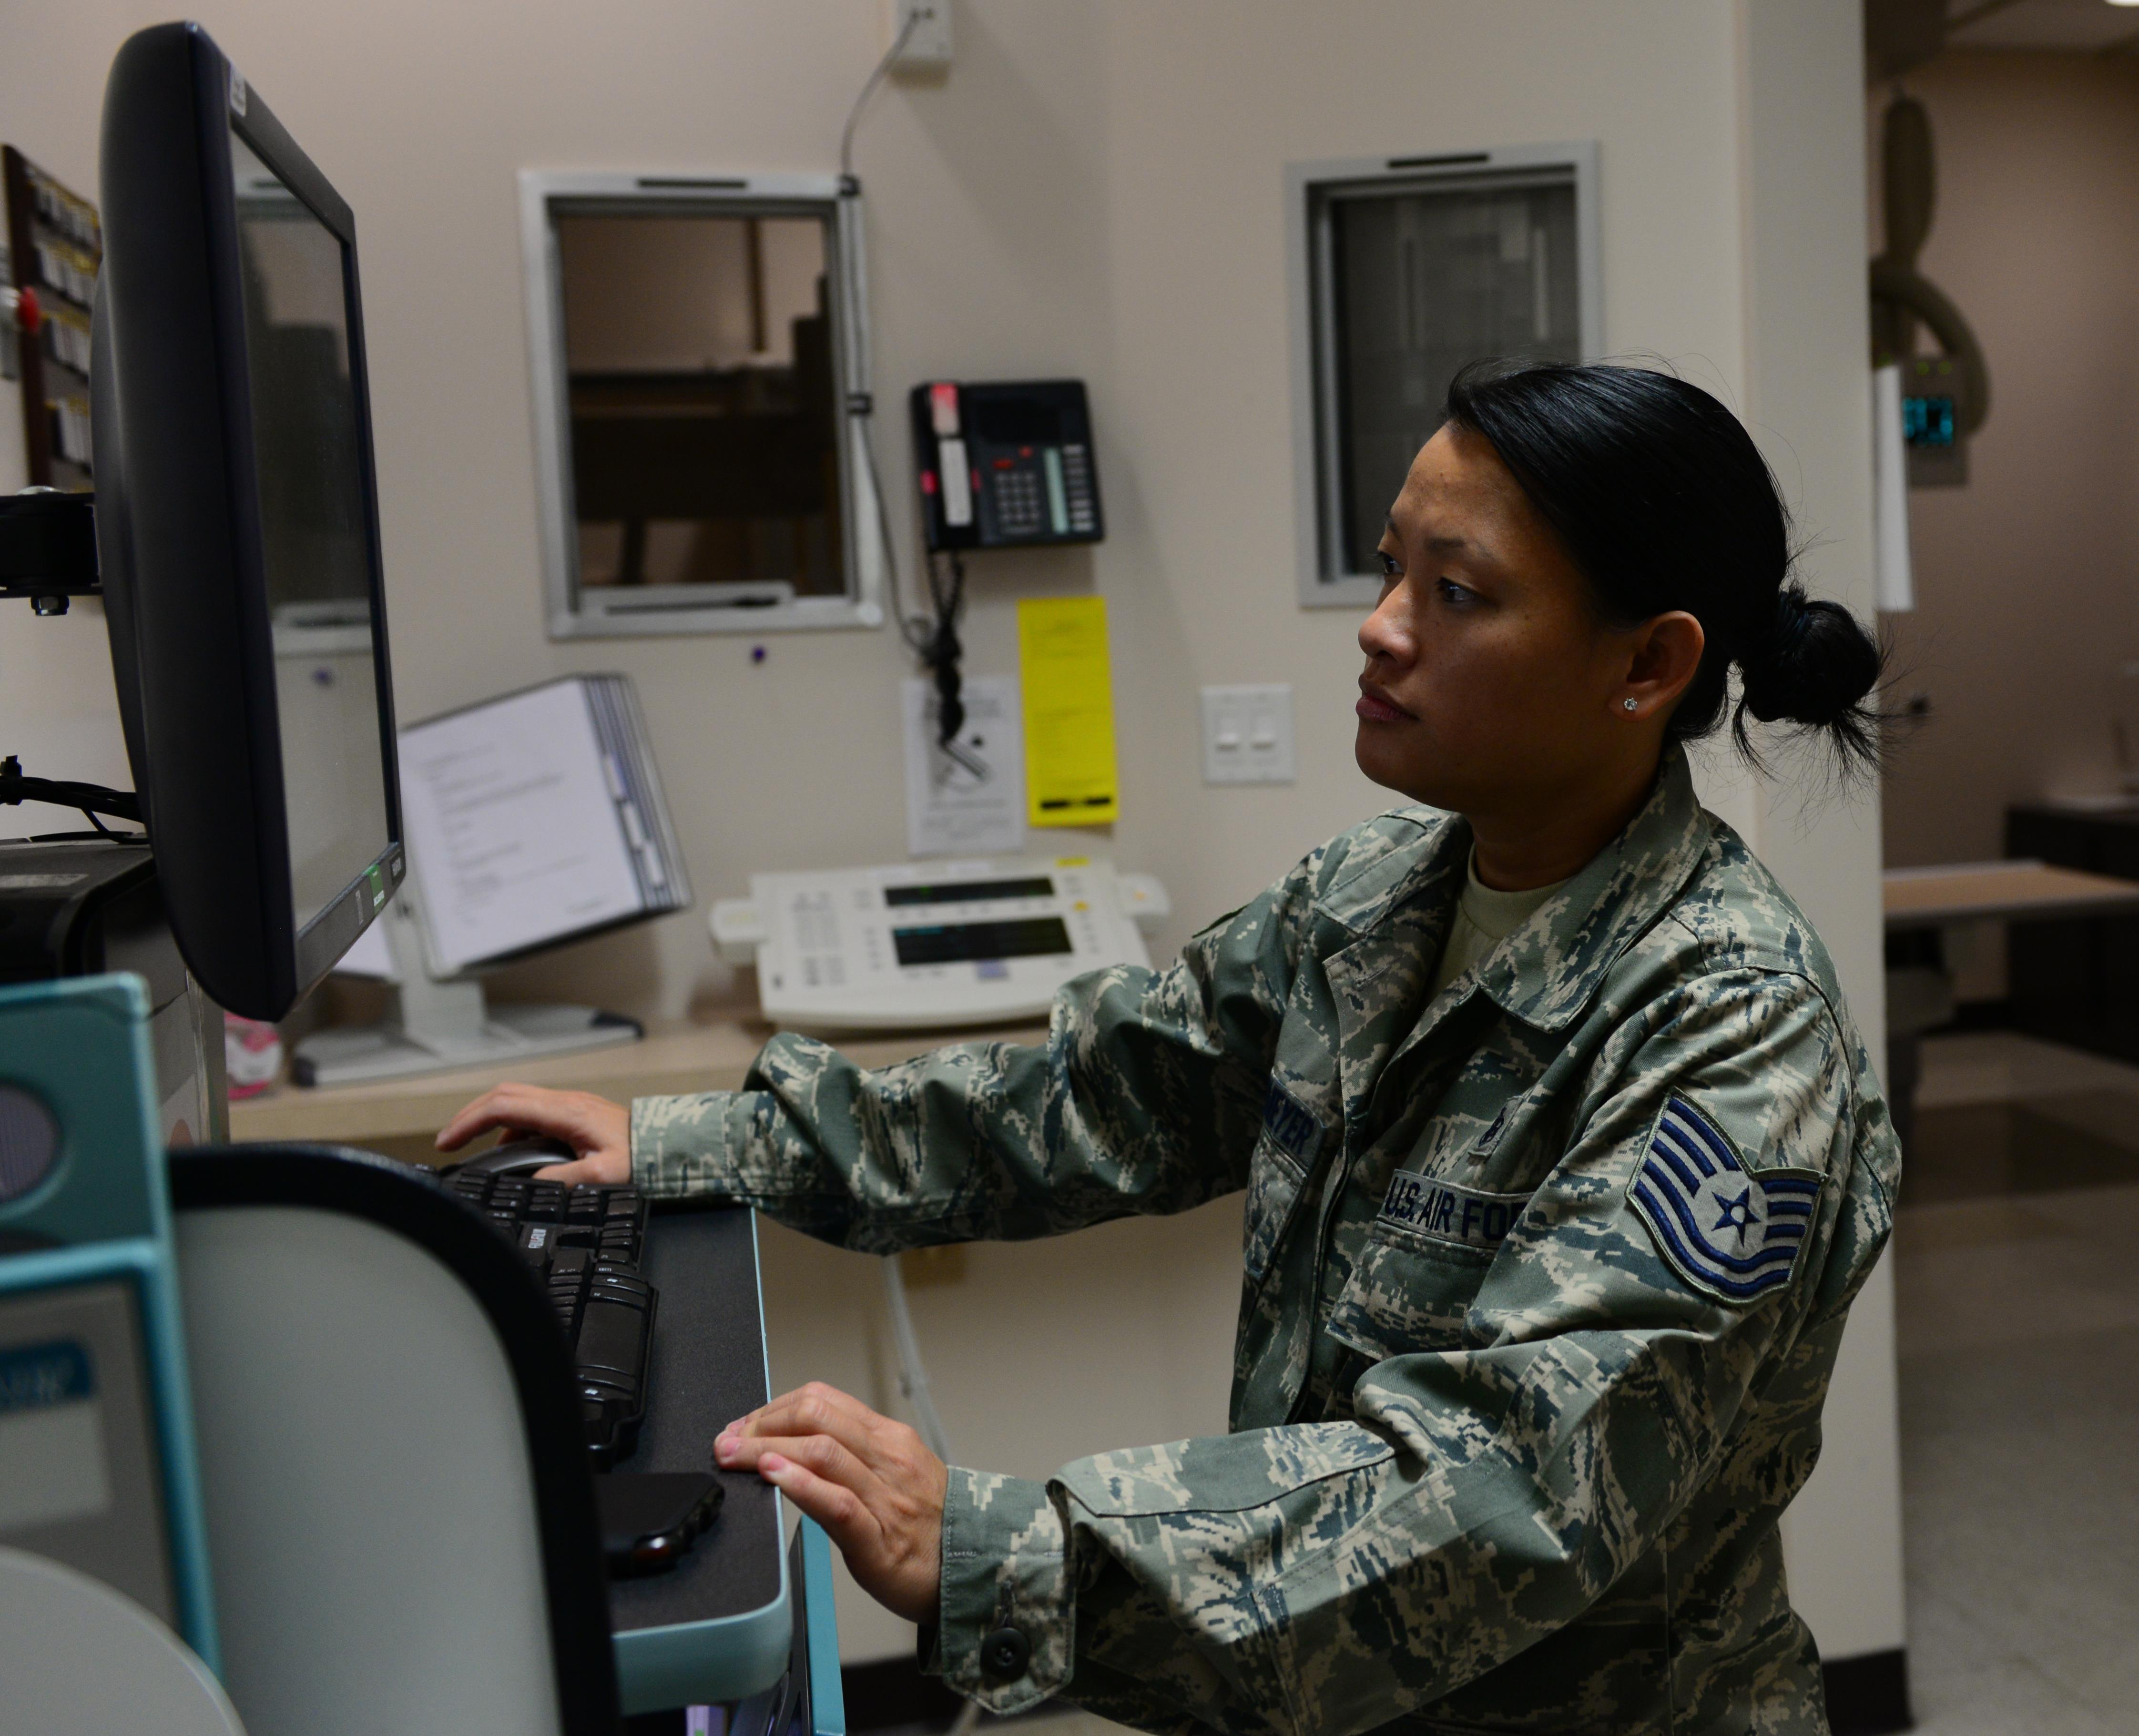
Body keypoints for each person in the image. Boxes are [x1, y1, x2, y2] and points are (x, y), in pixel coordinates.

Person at [439, 361, 1898, 1736]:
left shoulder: (1732, 1026)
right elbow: (1089, 1096)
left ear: (1647, 665)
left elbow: (1508, 1487)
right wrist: (701, 1145)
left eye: (1456, 593)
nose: (1384, 625)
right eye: (1392, 567)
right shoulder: (1377, 898)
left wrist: (1000, 1547)